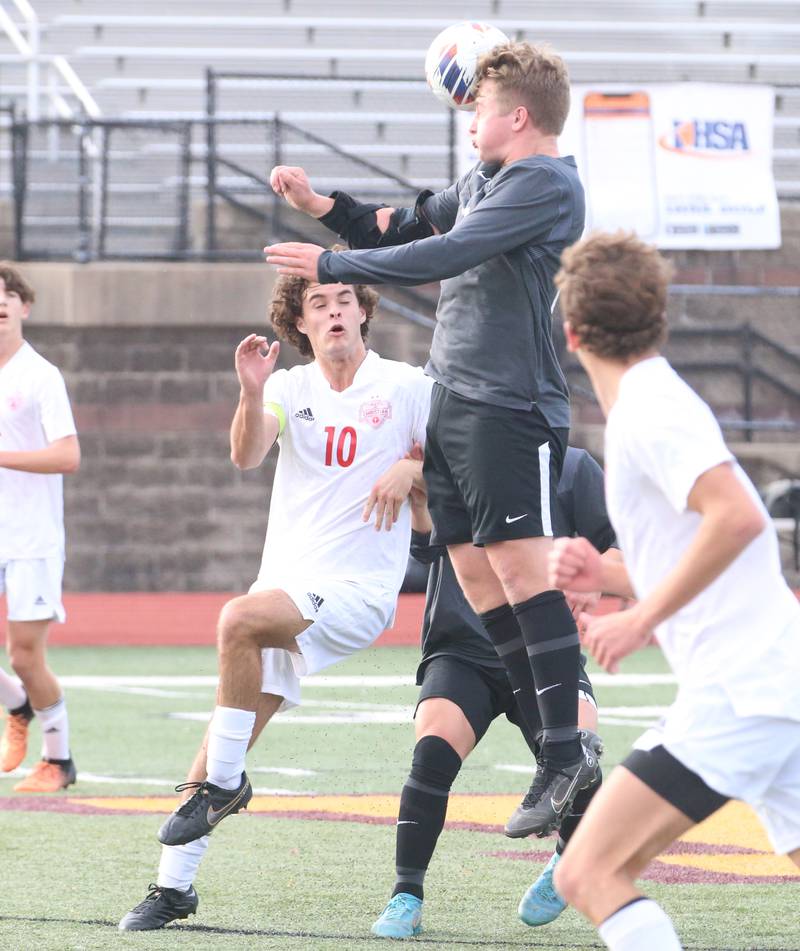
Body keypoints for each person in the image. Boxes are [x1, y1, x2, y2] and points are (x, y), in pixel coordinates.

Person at [265, 40, 593, 838]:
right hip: (455, 401)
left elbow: (447, 251)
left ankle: (564, 750)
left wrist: (335, 259)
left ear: (517, 116)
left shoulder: (546, 182)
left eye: (479, 108)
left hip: (510, 404)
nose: (467, 119)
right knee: (478, 578)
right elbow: (405, 220)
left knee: (519, 572)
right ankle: (558, 755)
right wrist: (323, 208)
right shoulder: (488, 179)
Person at [119, 268, 433, 931]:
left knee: (236, 618)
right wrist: (249, 392)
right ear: (300, 324)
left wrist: (415, 468)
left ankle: (227, 788)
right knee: (220, 740)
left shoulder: (407, 387)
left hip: (358, 590)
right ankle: (174, 887)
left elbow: (465, 462)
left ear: (364, 311)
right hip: (289, 589)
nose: (335, 310)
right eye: (320, 303)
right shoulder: (290, 387)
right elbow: (245, 452)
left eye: (345, 299)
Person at [547, 231, 800, 951]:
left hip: (741, 691)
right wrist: (608, 577)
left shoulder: (647, 411)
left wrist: (638, 619)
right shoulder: (655, 400)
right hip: (772, 681)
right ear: (658, 316)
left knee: (588, 870)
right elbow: (701, 545)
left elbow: (740, 518)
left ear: (569, 333)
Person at [371, 446, 618, 939]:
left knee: (580, 758)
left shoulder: (572, 468)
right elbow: (427, 549)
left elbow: (614, 547)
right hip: (464, 649)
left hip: (542, 651)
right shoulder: (458, 460)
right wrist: (418, 487)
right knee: (433, 752)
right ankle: (406, 893)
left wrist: (596, 579)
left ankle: (569, 861)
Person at [0, 263, 80, 794]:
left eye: (7, 295)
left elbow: (67, 456)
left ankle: (60, 759)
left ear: (23, 306)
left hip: (29, 537)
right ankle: (18, 704)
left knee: (25, 655)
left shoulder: (39, 376)